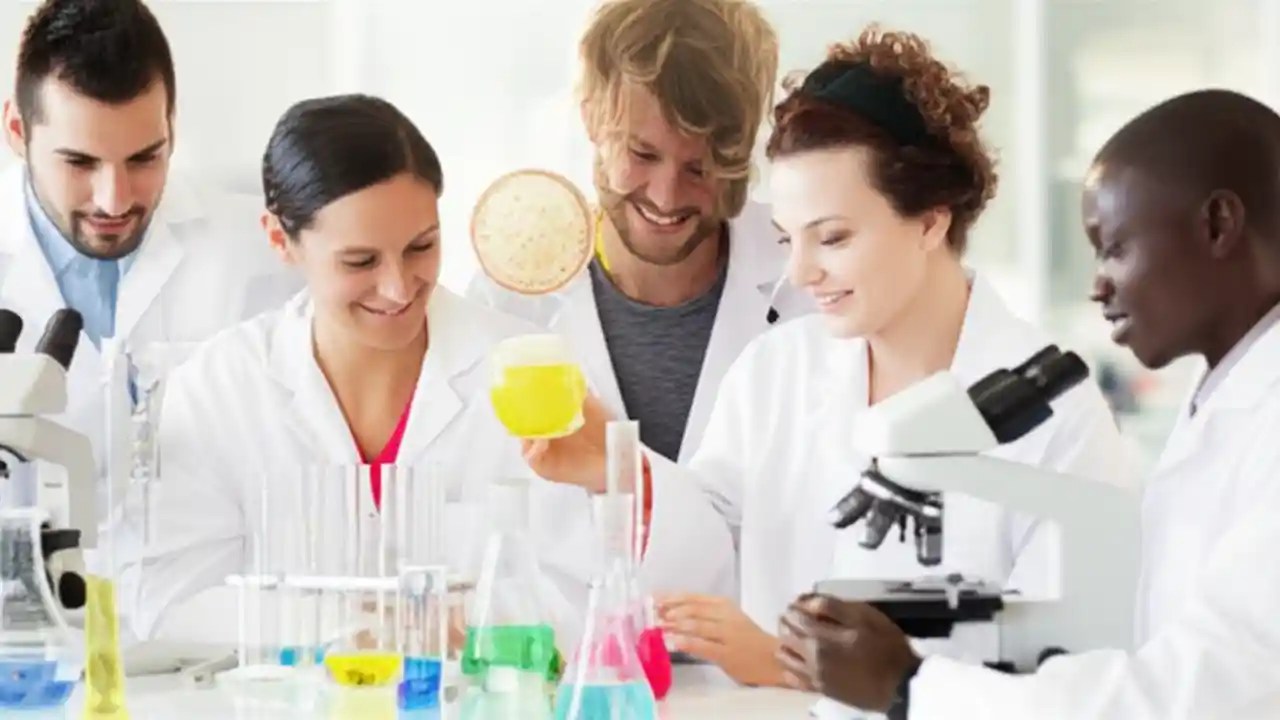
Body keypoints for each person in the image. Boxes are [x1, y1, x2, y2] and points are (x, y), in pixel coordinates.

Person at [523, 28, 1130, 688]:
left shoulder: (1055, 413)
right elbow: (710, 555)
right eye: (789, 240)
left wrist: (802, 670)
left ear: (931, 221)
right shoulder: (775, 371)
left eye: (833, 238)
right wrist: (620, 475)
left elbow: (1072, 680)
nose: (801, 273)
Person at [776, 88, 1280, 720]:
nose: (1098, 286)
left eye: (1115, 248)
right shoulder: (1228, 396)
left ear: (1218, 225)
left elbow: (1196, 694)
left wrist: (909, 687)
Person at [131, 95, 581, 644]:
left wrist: (451, 625)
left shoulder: (525, 367)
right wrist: (353, 625)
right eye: (360, 261)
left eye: (421, 247)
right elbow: (172, 605)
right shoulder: (218, 389)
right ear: (279, 240)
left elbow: (584, 592)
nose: (397, 288)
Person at [468, 0, 810, 465]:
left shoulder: (810, 285)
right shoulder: (505, 302)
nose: (666, 197)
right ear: (591, 117)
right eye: (642, 154)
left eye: (699, 167)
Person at [0, 0, 299, 472]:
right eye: (79, 163)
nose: (114, 201)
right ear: (18, 131)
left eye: (144, 158)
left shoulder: (264, 251)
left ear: (171, 128)